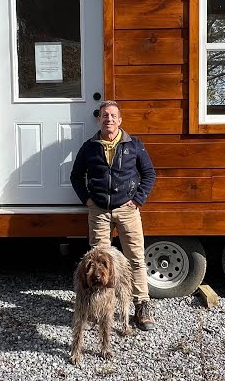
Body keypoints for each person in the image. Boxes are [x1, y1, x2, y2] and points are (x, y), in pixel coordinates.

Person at [70, 100, 158, 330]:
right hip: (99, 210)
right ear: (99, 119)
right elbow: (76, 176)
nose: (108, 119)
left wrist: (138, 199)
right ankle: (97, 309)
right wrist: (88, 200)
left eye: (112, 116)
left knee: (135, 258)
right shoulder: (89, 147)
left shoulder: (133, 145)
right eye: (104, 115)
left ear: (119, 120)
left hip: (127, 210)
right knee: (98, 261)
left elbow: (149, 174)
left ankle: (142, 306)